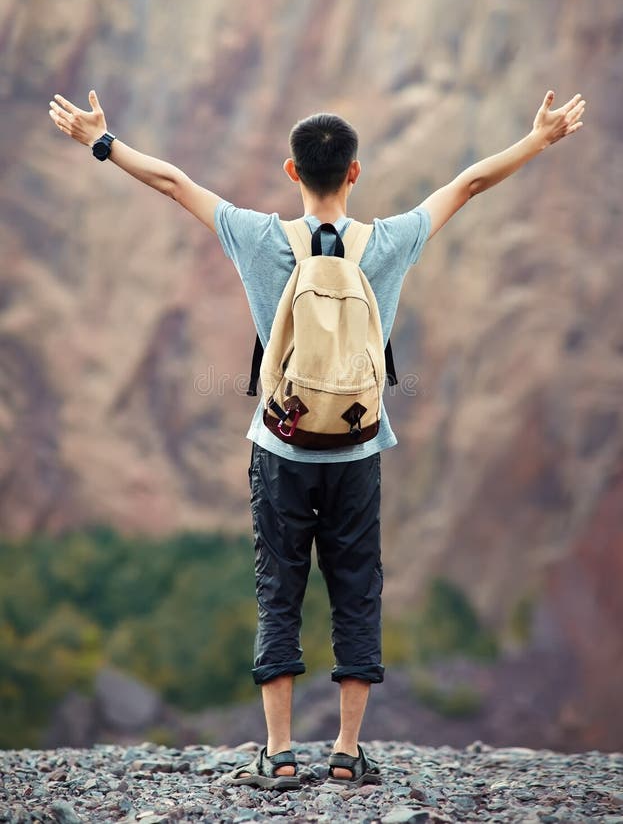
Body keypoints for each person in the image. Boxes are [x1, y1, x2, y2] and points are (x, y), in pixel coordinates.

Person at [49, 88, 585, 789]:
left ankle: (276, 750)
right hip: (357, 451)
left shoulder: (256, 236)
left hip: (279, 447)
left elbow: (174, 182)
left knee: (280, 590)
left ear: (290, 171)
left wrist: (101, 140)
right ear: (354, 173)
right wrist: (539, 139)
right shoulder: (388, 242)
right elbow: (470, 182)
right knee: (356, 591)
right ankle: (345, 750)